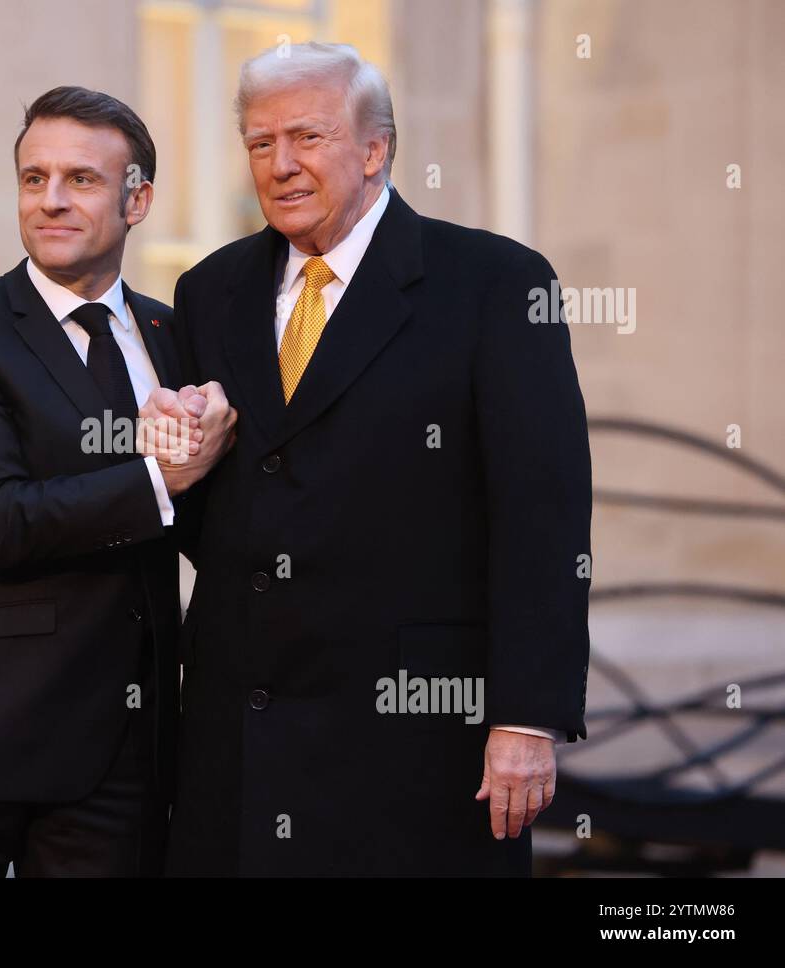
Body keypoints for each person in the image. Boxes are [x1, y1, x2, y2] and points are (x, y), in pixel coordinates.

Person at [162, 42, 593, 875]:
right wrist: (179, 464)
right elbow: (228, 516)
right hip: (244, 733)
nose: (281, 164)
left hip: (421, 740)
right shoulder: (209, 291)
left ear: (375, 149)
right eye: (260, 143)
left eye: (308, 138)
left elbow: (543, 516)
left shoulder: (495, 283)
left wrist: (527, 718)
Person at [0, 86, 235, 876]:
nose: (50, 201)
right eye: (34, 179)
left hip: (123, 762)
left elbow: (212, 526)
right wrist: (161, 477)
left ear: (140, 200)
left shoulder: (174, 337)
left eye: (81, 180)